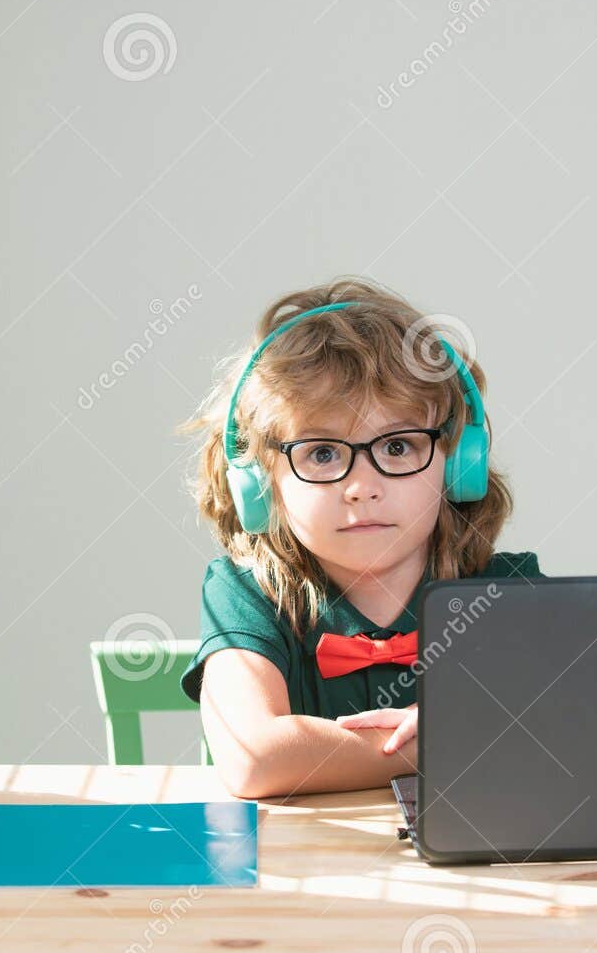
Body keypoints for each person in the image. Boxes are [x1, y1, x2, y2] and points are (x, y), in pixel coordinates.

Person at [179, 277, 540, 798]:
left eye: (397, 446)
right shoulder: (245, 595)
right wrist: (445, 739)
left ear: (460, 462)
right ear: (260, 483)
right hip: (304, 869)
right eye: (322, 453)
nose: (362, 487)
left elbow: (572, 728)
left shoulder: (506, 590)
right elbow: (254, 757)